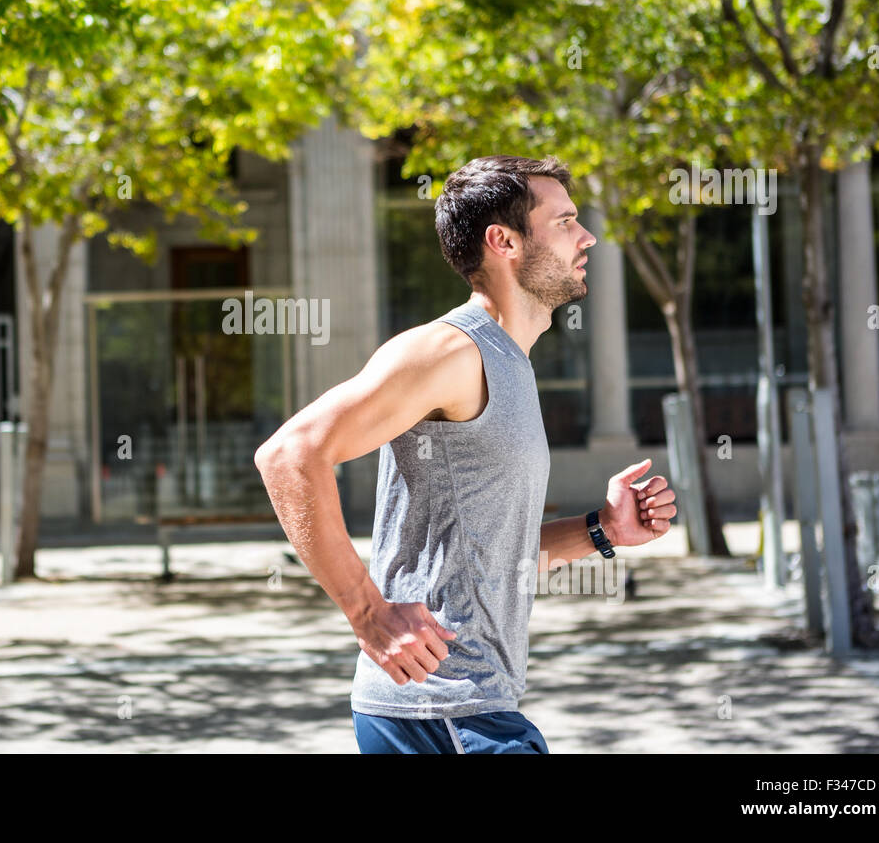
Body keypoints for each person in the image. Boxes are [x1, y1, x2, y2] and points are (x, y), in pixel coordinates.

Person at [254, 154, 678, 754]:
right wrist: (367, 612)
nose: (587, 237)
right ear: (504, 241)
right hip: (443, 714)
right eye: (565, 221)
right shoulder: (451, 351)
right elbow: (290, 455)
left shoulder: (510, 363)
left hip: (468, 708)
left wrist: (601, 530)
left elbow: (489, 559)